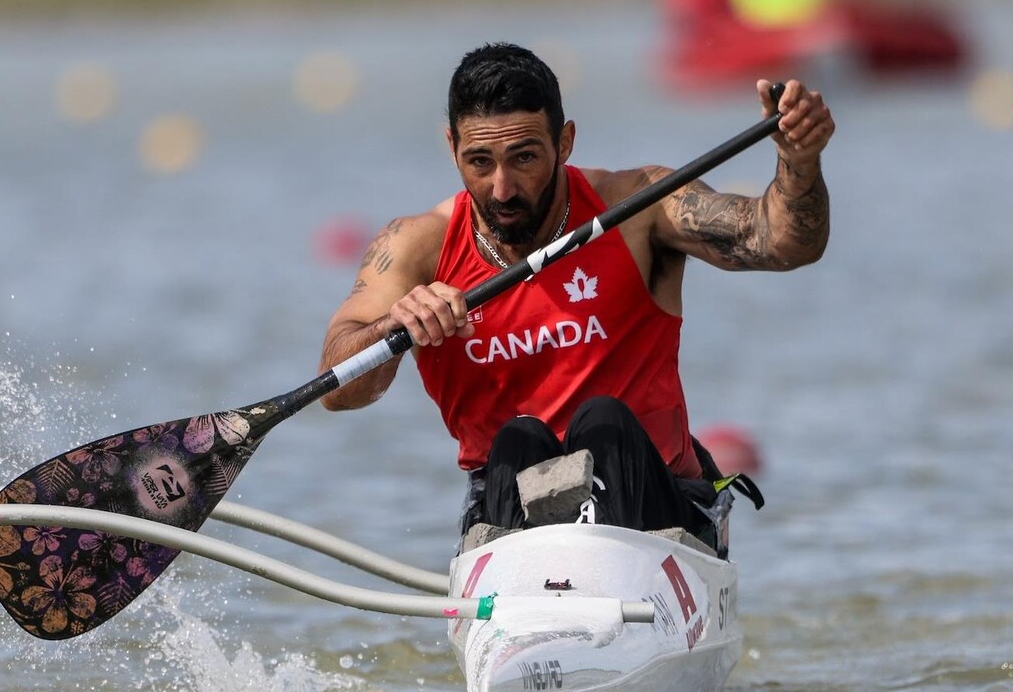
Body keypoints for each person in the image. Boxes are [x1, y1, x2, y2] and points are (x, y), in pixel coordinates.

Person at [318, 42, 832, 542]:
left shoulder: (639, 207)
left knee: (602, 422)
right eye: (479, 161)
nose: (501, 188)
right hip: (511, 517)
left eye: (524, 158)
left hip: (658, 510)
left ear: (564, 142)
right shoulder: (416, 247)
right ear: (452, 147)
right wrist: (395, 327)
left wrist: (799, 162)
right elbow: (335, 391)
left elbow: (782, 242)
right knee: (518, 440)